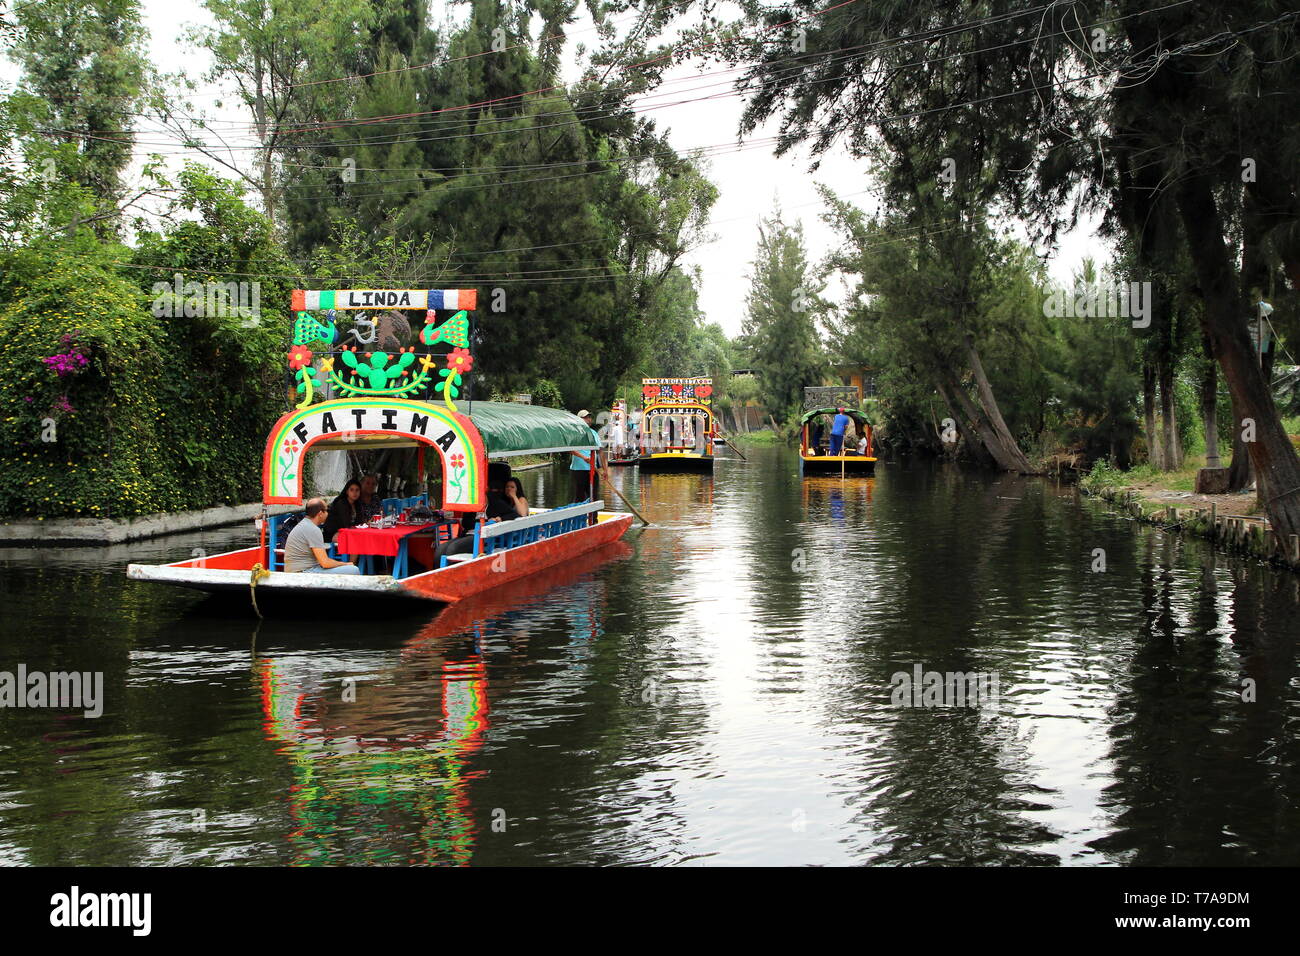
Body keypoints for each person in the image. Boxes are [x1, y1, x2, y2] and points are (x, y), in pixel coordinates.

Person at [435, 462, 520, 565]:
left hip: (484, 538)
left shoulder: (495, 502)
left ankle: (453, 574)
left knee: (452, 549)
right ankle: (437, 574)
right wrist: (479, 522)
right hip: (469, 535)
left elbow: (514, 515)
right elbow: (466, 523)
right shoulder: (472, 503)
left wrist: (499, 519)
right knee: (440, 549)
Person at [284, 498, 360, 574]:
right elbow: (325, 563)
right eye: (326, 510)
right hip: (303, 573)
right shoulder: (312, 529)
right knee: (353, 570)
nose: (327, 513)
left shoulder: (305, 524)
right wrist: (345, 564)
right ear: (320, 513)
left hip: (303, 570)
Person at [570, 409, 602, 503]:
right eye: (586, 417)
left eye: (589, 417)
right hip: (579, 469)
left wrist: (604, 469)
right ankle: (578, 517)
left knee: (594, 497)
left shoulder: (594, 433)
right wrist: (584, 458)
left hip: (592, 469)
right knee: (579, 496)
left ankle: (594, 517)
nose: (589, 419)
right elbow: (570, 449)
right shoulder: (574, 433)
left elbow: (600, 450)